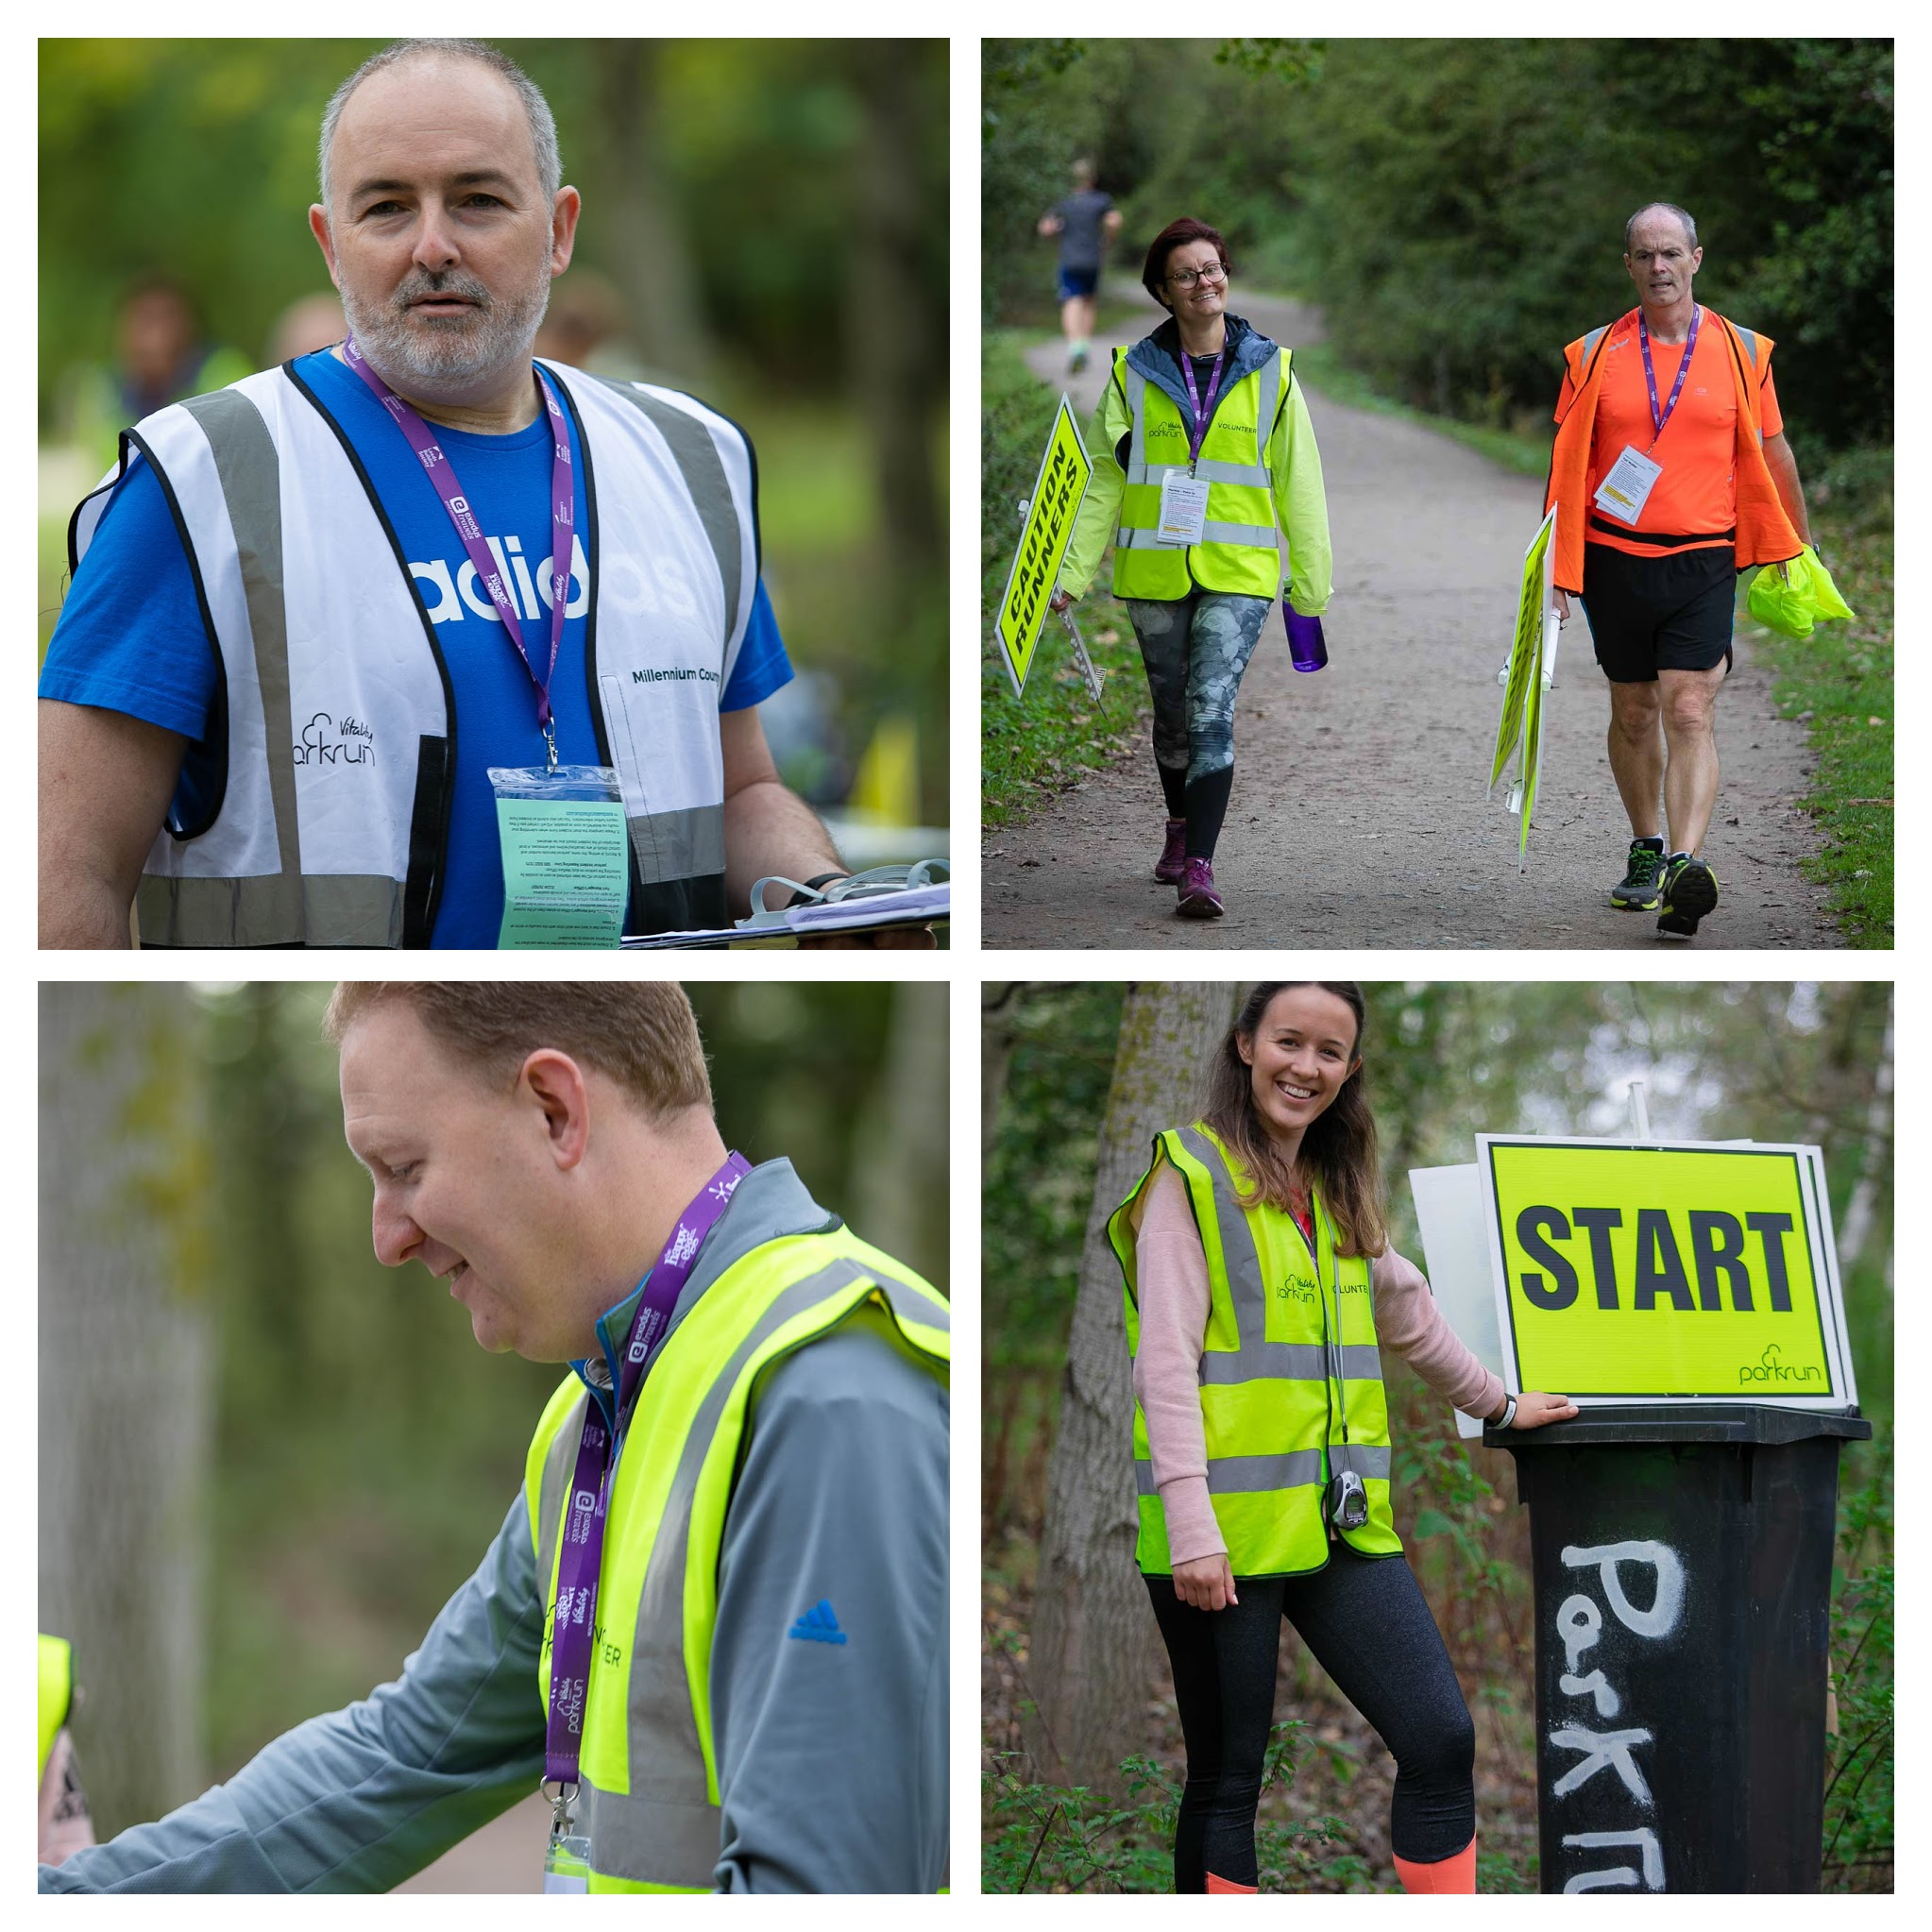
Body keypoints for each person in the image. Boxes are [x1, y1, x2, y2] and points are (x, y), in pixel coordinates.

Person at [38, 981, 950, 1894]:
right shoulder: (599, 1412)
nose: (387, 1239)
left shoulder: (831, 1390)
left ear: (556, 1112)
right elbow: (401, 1757)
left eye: (402, 1167)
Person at [39, 39, 893, 950]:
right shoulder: (200, 479)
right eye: (387, 207)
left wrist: (828, 903)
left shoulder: (691, 459)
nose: (433, 245)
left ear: (559, 229)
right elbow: (63, 873)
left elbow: (745, 792)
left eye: (478, 200)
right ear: (332, 244)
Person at [1108, 981, 1578, 1894]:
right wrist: (1192, 1528)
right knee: (1227, 1782)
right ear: (1245, 1044)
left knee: (1441, 1737)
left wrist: (1499, 1405)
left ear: (1350, 1070)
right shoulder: (1188, 1176)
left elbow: (1410, 1317)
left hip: (1338, 1528)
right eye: (1290, 1042)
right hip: (1223, 1540)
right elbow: (1162, 1365)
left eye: (1330, 1052)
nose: (1306, 1067)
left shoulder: (1333, 1190)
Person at [1050, 219, 1331, 919]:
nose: (1204, 283)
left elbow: (1301, 481)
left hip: (1238, 569)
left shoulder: (1274, 371)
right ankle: (1179, 825)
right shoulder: (1130, 373)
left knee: (1211, 710)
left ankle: (1200, 867)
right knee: (1172, 716)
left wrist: (1311, 581)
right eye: (1186, 275)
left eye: (1213, 269)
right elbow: (1105, 483)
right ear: (1162, 292)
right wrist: (1074, 572)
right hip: (1154, 569)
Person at [1547, 202, 1810, 941]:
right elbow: (1567, 466)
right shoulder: (1593, 353)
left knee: (1690, 706)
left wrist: (1798, 546)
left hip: (1703, 555)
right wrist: (1556, 566)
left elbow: (1776, 452)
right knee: (1632, 710)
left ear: (1697, 258)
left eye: (1671, 253)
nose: (1659, 267)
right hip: (1613, 558)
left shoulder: (1740, 350)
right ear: (1627, 265)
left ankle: (1685, 868)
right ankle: (1647, 843)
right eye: (1644, 255)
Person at [1036, 159, 1122, 375]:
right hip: (1093, 259)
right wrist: (1107, 240)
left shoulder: (1065, 202)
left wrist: (1055, 231)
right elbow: (1114, 221)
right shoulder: (1102, 200)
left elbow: (1045, 228)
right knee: (1088, 301)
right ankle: (1083, 345)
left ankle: (1075, 347)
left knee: (1071, 301)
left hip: (1069, 259)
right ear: (1092, 178)